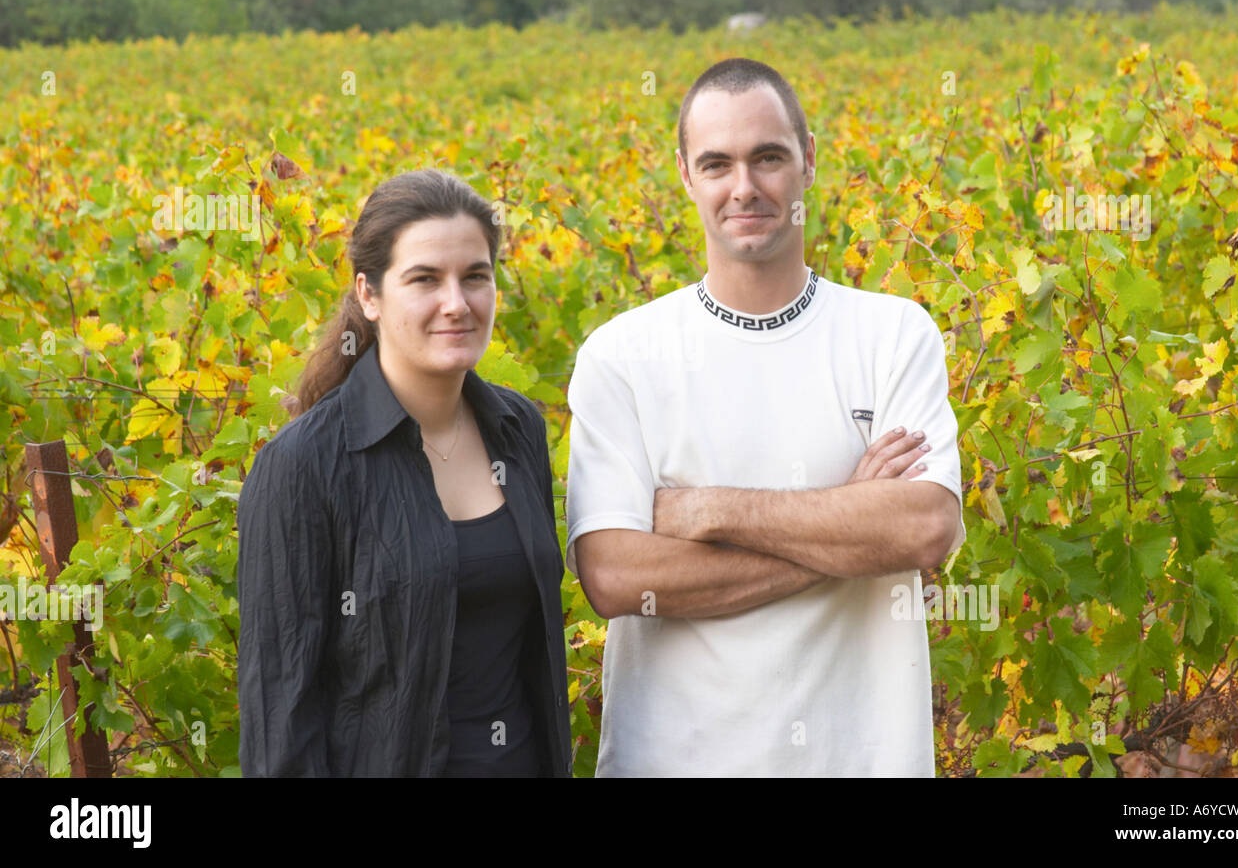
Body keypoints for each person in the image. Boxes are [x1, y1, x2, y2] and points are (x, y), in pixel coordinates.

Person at [565, 58, 966, 777]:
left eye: (769, 158)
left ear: (809, 161)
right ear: (685, 174)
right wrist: (851, 522)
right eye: (717, 163)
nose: (744, 187)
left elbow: (925, 527)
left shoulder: (895, 334)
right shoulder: (621, 355)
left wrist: (708, 510)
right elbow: (616, 577)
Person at [237, 168, 571, 777]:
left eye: (475, 276)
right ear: (369, 295)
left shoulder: (518, 429)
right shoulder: (302, 467)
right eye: (424, 279)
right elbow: (280, 718)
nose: (456, 303)